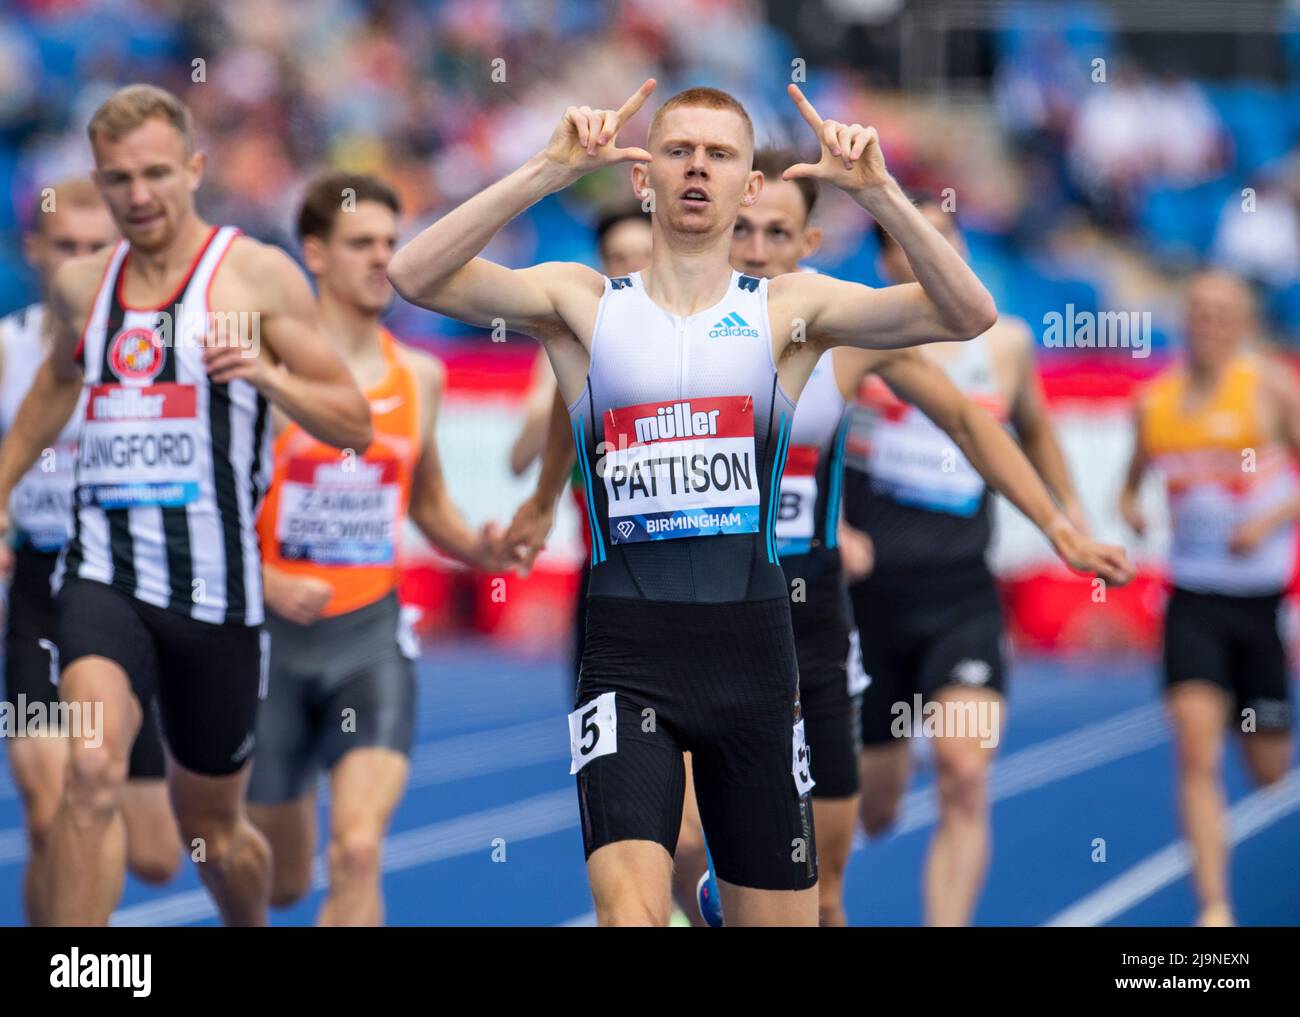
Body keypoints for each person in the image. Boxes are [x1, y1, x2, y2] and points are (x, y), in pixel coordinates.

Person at [390, 78, 1097, 926]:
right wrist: (545, 170)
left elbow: (969, 312)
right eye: (677, 150)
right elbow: (414, 273)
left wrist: (879, 193)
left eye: (720, 155)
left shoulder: (791, 312)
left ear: (750, 185)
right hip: (625, 655)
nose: (698, 168)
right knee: (630, 916)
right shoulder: (579, 304)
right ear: (644, 176)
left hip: (757, 658)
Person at [681, 149, 1133, 926]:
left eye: (777, 233)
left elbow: (967, 417)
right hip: (709, 610)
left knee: (828, 878)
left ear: (807, 247)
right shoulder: (673, 337)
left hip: (826, 612)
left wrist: (1061, 523)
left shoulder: (850, 336)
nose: (756, 249)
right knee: (689, 842)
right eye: (744, 230)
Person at [0, 83, 372, 926]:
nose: (138, 196)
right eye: (118, 179)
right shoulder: (83, 287)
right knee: (87, 769)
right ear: (99, 179)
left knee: (211, 828)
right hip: (101, 574)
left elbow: (351, 418)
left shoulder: (256, 274)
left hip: (217, 595)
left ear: (196, 168)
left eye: (157, 174)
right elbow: (55, 388)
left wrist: (267, 375)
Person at [246, 171, 517, 925]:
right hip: (270, 645)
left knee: (358, 849)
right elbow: (210, 508)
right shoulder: (269, 370)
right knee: (281, 879)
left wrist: (481, 547)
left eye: (391, 243)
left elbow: (427, 503)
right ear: (314, 254)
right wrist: (263, 578)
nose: (381, 259)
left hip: (368, 637)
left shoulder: (420, 375)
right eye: (360, 243)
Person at [1, 176, 181, 924]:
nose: (77, 261)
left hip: (128, 590)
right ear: (34, 251)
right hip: (41, 592)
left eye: (95, 247)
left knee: (160, 854)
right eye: (64, 246)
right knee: (54, 808)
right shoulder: (8, 349)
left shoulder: (156, 348)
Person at [1120, 269, 1299, 927]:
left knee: (1271, 769)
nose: (1208, 323)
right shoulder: (1155, 401)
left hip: (1259, 604)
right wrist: (1133, 513)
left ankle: (1249, 716)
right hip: (1192, 598)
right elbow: (1128, 485)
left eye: (1222, 312)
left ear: (1244, 321)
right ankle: (1214, 907)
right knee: (1195, 750)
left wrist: (1272, 517)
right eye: (1197, 310)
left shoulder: (1272, 388)